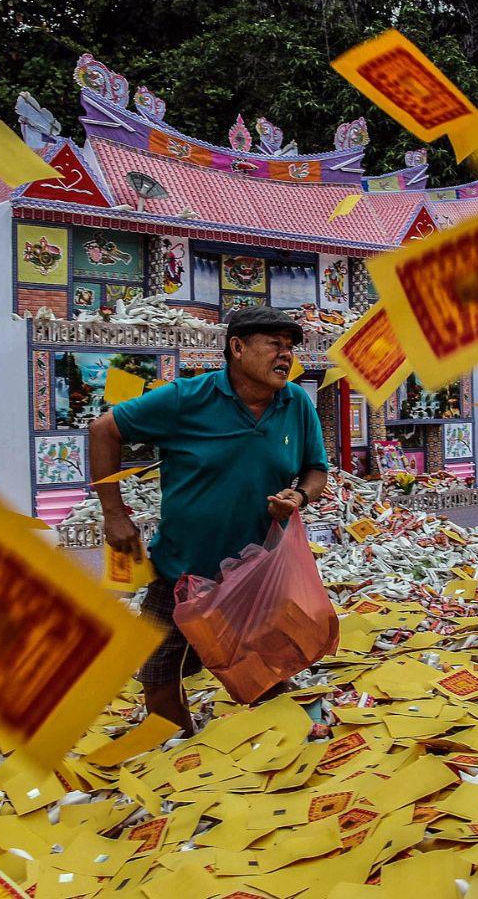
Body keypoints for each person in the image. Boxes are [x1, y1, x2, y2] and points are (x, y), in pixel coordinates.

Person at [89, 306, 329, 733]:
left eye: (290, 347)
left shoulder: (297, 405)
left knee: (267, 667)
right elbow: (104, 430)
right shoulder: (186, 398)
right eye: (275, 344)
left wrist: (299, 496)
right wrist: (114, 514)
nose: (286, 356)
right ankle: (180, 750)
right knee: (160, 671)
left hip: (261, 569)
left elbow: (315, 469)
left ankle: (280, 750)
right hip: (183, 569)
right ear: (237, 348)